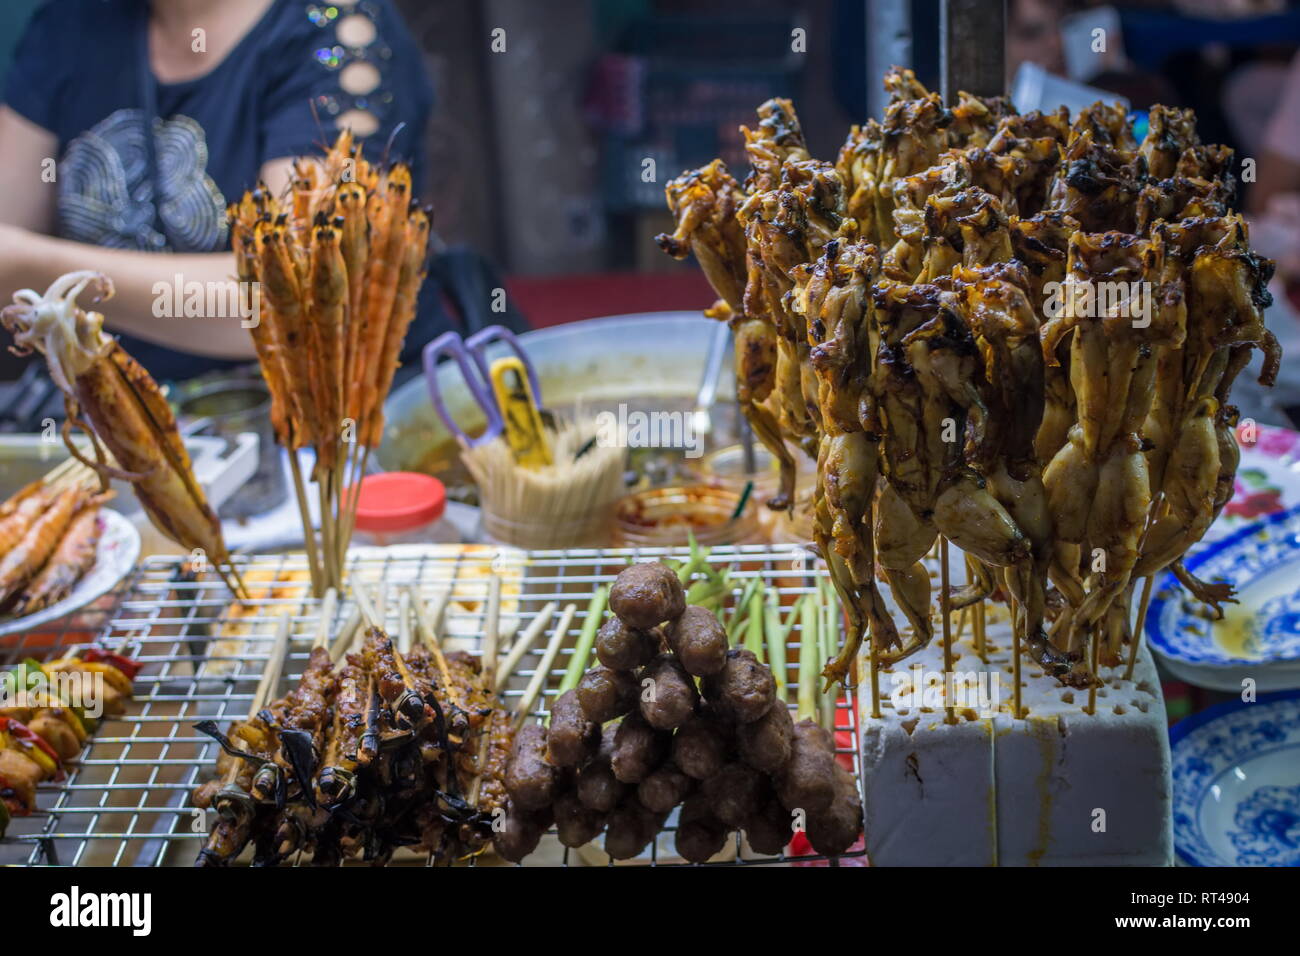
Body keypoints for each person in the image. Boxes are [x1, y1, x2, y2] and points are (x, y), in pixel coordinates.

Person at [0, 0, 433, 381]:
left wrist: (36, 267)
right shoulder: (73, 24)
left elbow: (294, 299)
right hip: (112, 407)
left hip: (309, 415)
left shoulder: (338, 36)